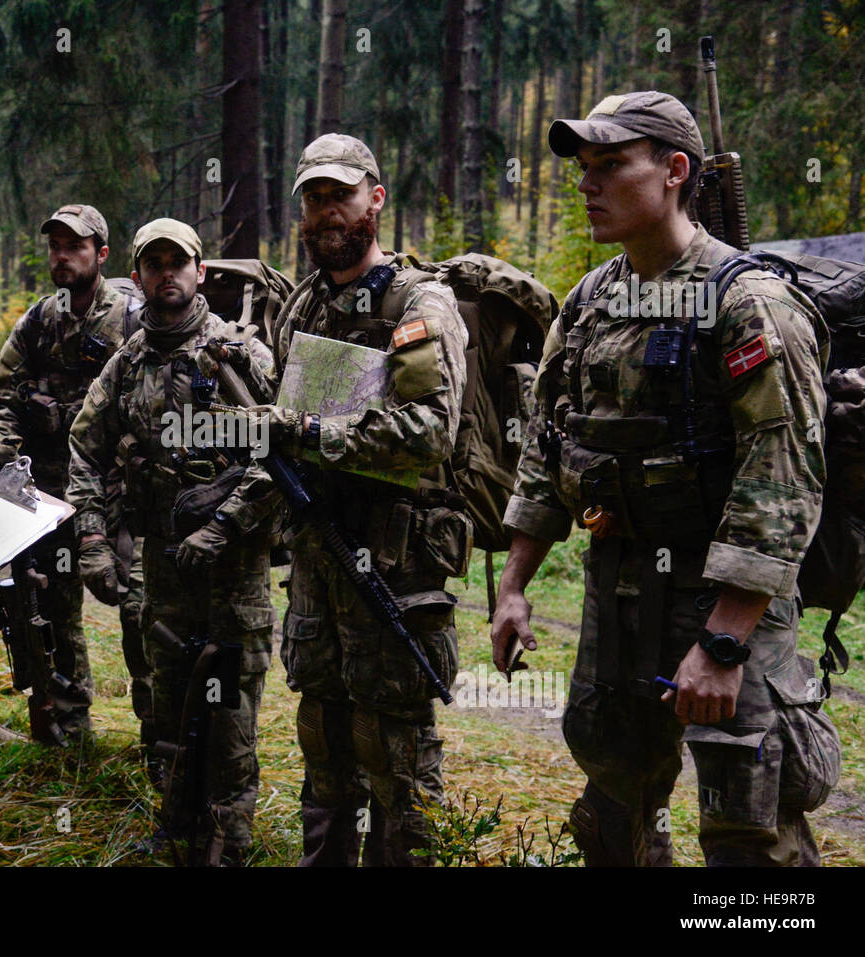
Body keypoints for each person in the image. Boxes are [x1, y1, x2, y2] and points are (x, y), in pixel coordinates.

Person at [492, 91, 840, 866]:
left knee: (748, 826)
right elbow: (547, 449)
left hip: (724, 607)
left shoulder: (748, 304)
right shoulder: (588, 303)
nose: (587, 183)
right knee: (613, 810)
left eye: (611, 164)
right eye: (584, 167)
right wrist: (514, 584)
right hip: (616, 593)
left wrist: (723, 640)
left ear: (676, 170)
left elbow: (783, 479)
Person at [255, 134, 470, 866]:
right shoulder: (302, 305)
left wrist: (305, 429)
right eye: (313, 200)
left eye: (340, 196)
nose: (325, 214)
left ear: (376, 198)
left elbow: (429, 432)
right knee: (324, 743)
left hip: (394, 568)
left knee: (398, 760)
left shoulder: (418, 303)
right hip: (317, 567)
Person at [65, 218, 278, 864]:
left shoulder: (243, 355)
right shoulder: (127, 364)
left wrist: (226, 524)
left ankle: (228, 841)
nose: (167, 276)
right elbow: (83, 446)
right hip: (162, 568)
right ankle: (176, 827)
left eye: (177, 263)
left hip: (233, 572)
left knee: (230, 712)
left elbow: (281, 457)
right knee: (168, 706)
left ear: (200, 270)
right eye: (153, 265)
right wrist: (94, 539)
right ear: (138, 276)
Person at [0, 204, 140, 740]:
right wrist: (7, 455)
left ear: (102, 254)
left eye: (75, 246)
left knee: (140, 609)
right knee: (50, 611)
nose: (63, 256)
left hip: (121, 495)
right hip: (49, 495)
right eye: (55, 246)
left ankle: (159, 735)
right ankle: (67, 736)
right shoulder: (39, 319)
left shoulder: (131, 319)